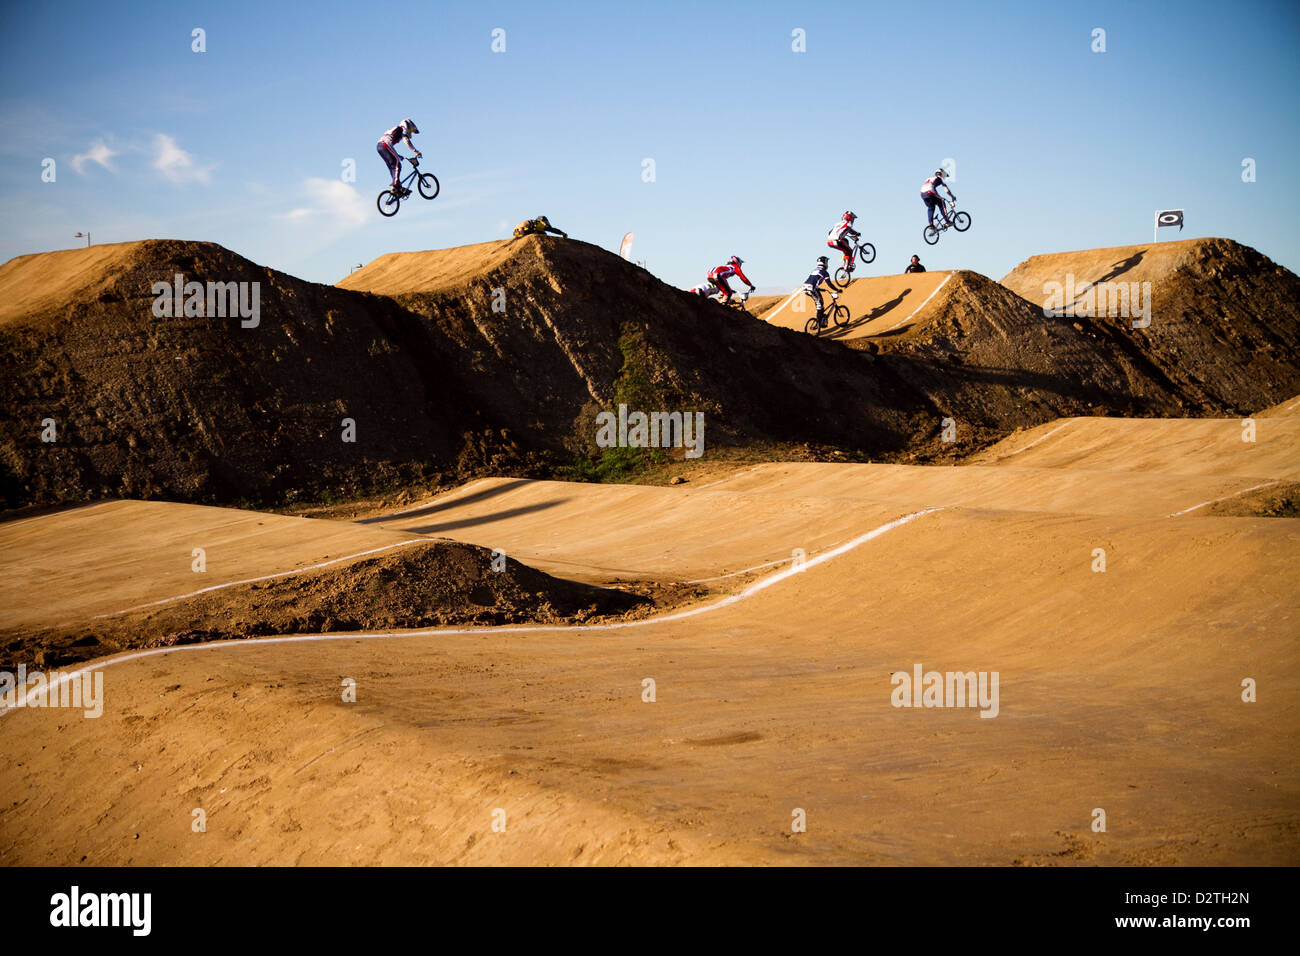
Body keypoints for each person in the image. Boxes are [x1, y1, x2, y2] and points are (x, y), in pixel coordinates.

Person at [377, 118, 421, 195]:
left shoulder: (396, 130)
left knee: (392, 166)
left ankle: (396, 188)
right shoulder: (402, 129)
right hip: (385, 144)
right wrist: (416, 151)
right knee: (397, 164)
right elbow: (406, 141)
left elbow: (390, 147)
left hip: (380, 146)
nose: (411, 133)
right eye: (411, 131)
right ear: (409, 126)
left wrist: (398, 155)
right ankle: (396, 185)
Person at [801, 255, 837, 328]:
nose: (827, 264)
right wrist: (837, 289)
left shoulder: (815, 270)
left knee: (819, 303)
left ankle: (820, 319)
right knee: (820, 304)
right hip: (812, 288)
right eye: (827, 262)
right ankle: (818, 323)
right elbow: (829, 284)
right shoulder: (824, 272)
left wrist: (819, 289)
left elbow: (813, 280)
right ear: (824, 263)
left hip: (805, 287)